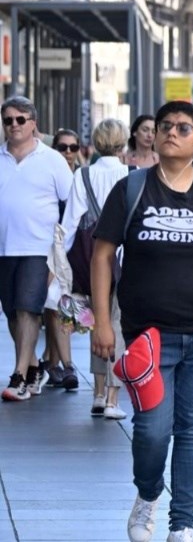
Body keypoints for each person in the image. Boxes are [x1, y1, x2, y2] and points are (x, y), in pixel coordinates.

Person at [89, 101, 193, 542]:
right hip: (149, 336)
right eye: (165, 126)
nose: (171, 132)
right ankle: (147, 495)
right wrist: (102, 322)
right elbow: (103, 254)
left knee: (192, 430)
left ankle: (182, 523)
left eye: (184, 128)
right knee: (150, 429)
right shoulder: (132, 190)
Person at [0, 96, 73, 402]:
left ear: (33, 124)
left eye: (20, 119)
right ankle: (32, 368)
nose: (13, 125)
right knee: (12, 314)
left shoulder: (52, 159)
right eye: (8, 120)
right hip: (5, 249)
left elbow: (71, 204)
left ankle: (17, 376)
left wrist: (61, 253)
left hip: (38, 248)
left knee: (29, 309)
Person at [61, 119, 130, 418]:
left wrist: (62, 266)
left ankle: (99, 393)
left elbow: (70, 223)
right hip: (126, 258)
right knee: (118, 325)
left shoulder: (83, 175)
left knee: (96, 325)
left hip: (92, 259)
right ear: (123, 143)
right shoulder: (133, 175)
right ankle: (114, 397)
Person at [40, 129, 85, 391]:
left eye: (73, 147)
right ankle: (54, 361)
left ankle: (58, 363)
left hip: (71, 252)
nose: (68, 152)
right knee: (52, 307)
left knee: (57, 306)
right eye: (62, 147)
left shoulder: (80, 177)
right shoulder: (50, 174)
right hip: (47, 247)